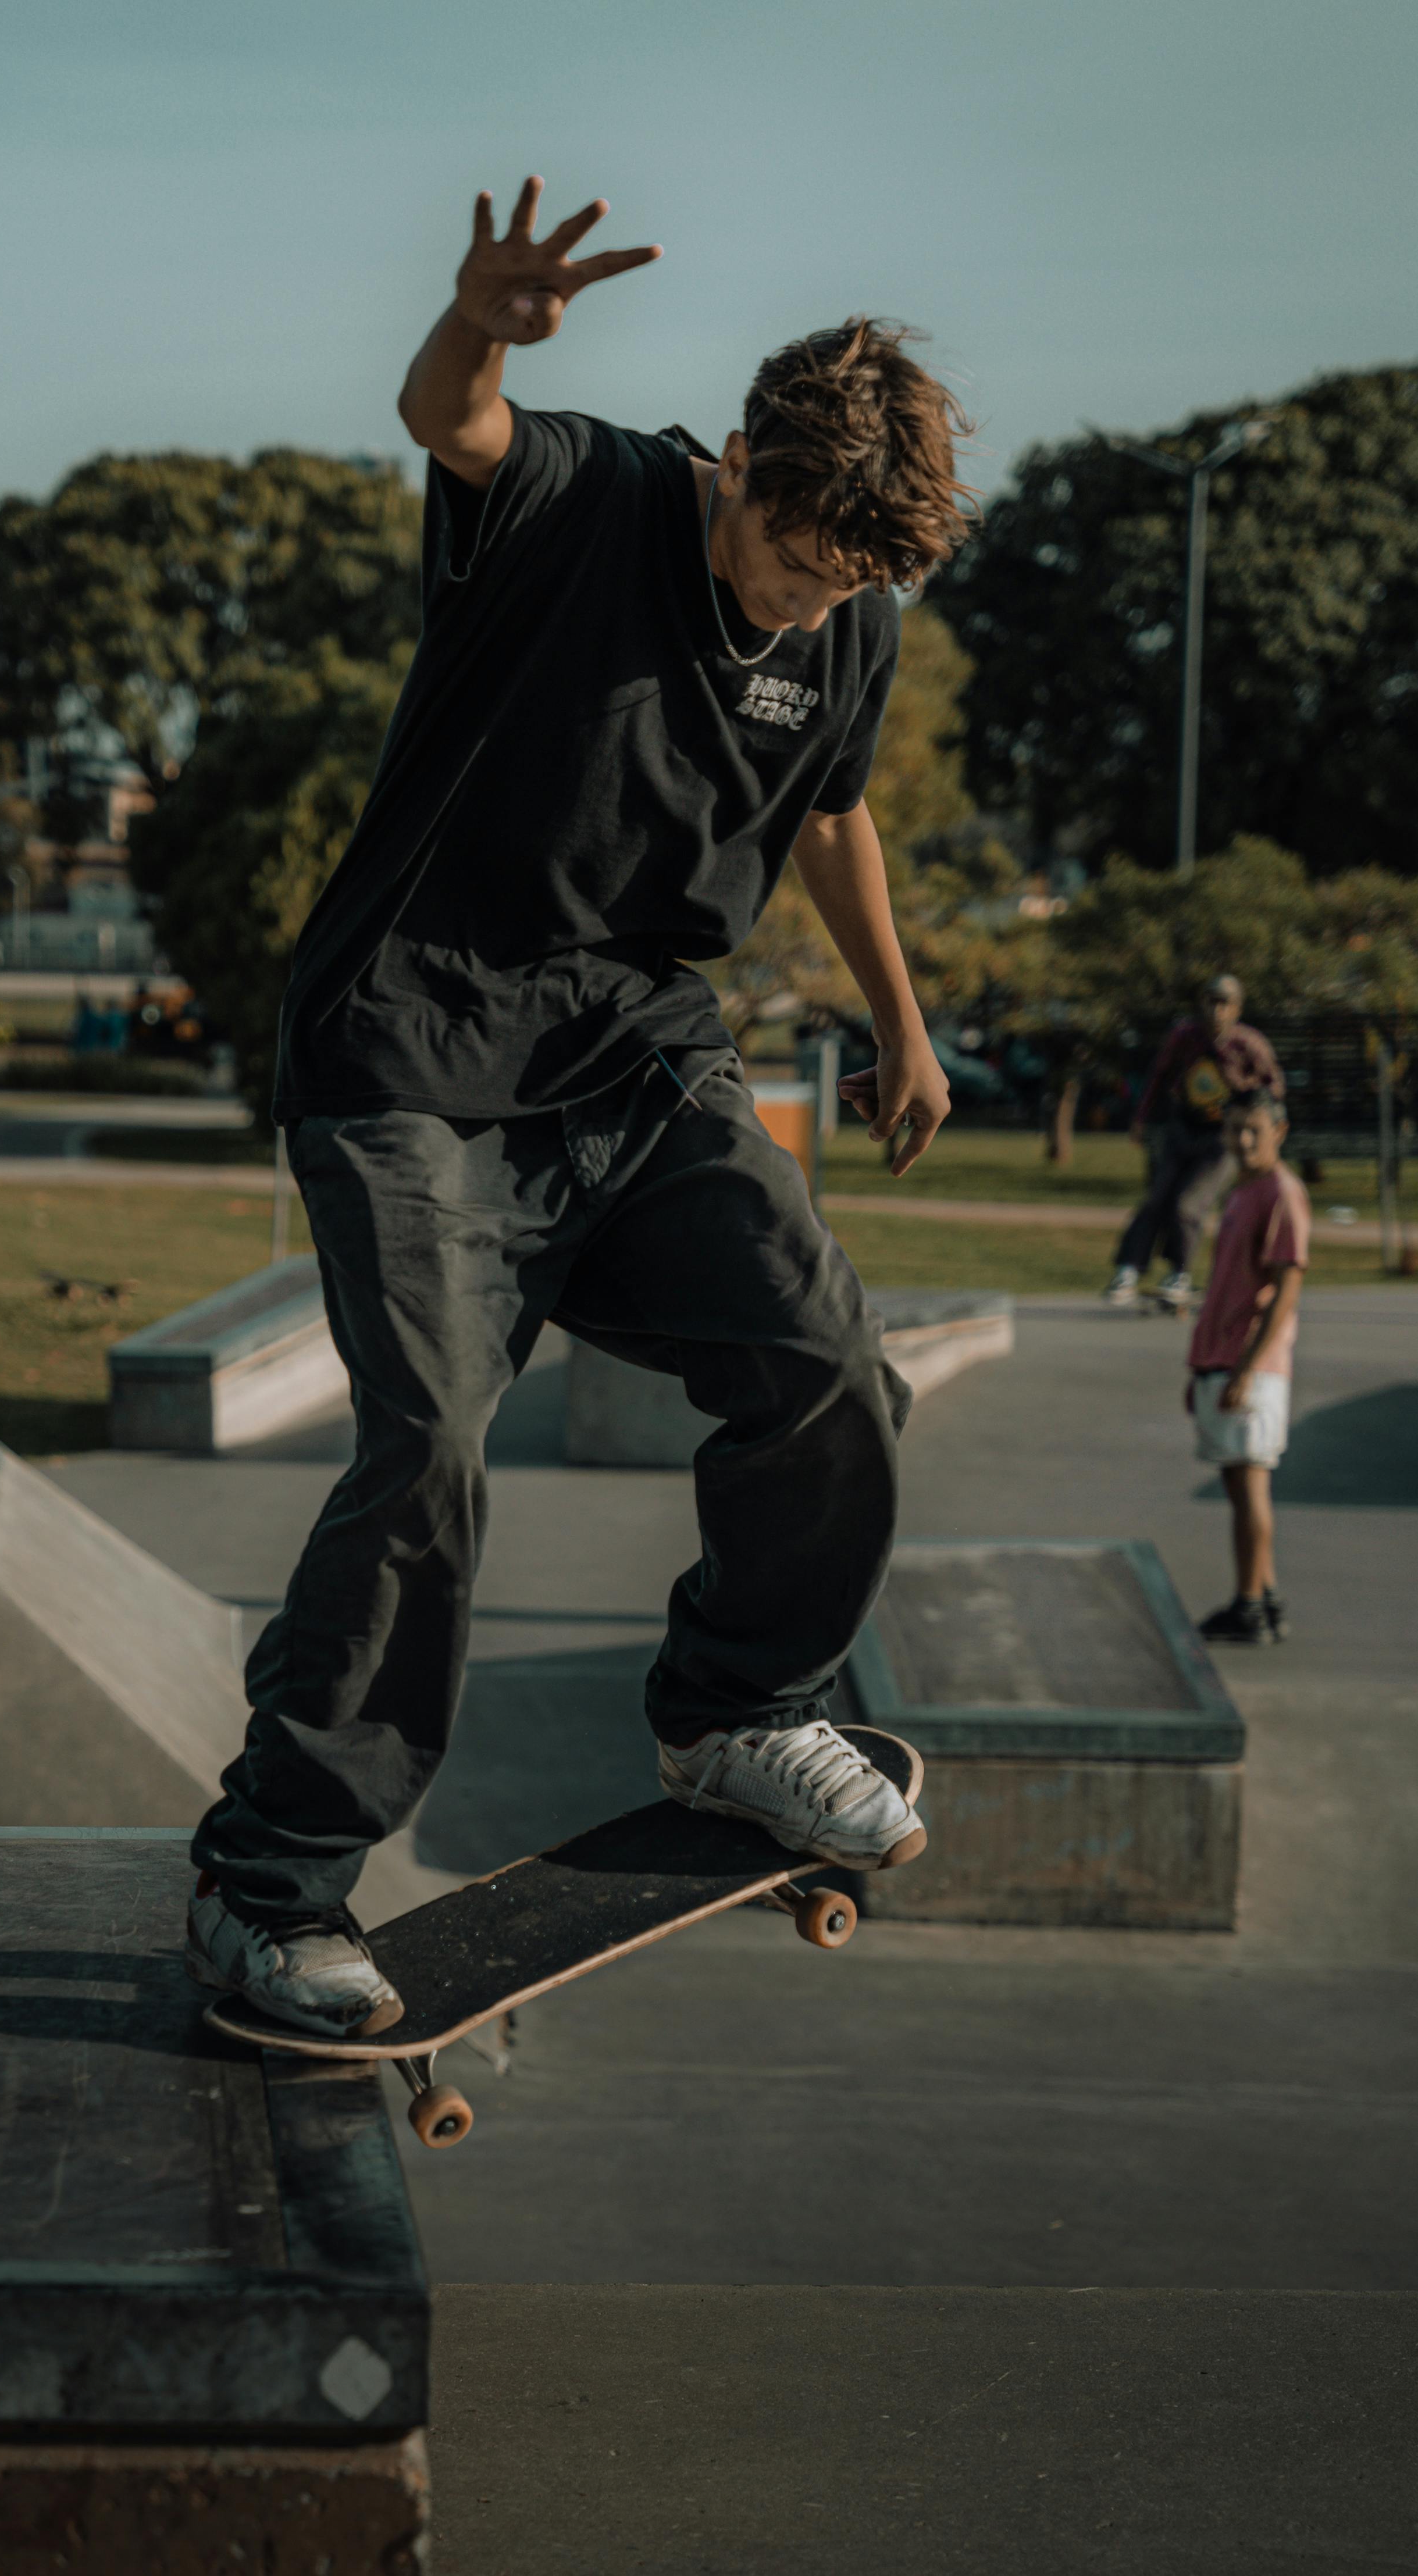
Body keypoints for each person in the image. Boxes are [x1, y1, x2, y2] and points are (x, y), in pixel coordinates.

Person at [184, 177, 972, 2039]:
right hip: (412, 1046)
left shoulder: (844, 614)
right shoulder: (586, 495)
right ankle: (270, 1879)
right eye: (793, 557)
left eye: (847, 586)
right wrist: (478, 323)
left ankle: (740, 1707)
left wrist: (903, 1019)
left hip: (639, 1048)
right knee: (430, 1447)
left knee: (829, 1366)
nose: (808, 602)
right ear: (745, 466)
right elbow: (449, 423)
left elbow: (837, 810)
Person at [1185, 1090, 1308, 1646]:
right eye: (1234, 1130)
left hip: (1251, 1364)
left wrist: (1243, 1370)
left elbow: (1286, 1284)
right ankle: (1267, 1597)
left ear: (1279, 1131)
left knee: (1250, 1485)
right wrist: (1202, 1367)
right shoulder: (1243, 1191)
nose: (1243, 1141)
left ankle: (1248, 1605)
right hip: (1222, 1360)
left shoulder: (1280, 1191)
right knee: (1238, 1484)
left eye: (1254, 1130)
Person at [1105, 976, 1283, 1310]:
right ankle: (1129, 1269)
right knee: (1156, 1198)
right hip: (1184, 1127)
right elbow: (1159, 1076)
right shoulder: (1186, 1036)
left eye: (1224, 1003)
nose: (1217, 1010)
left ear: (1237, 1008)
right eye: (1211, 1001)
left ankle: (1179, 1273)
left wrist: (1254, 1112)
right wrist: (1142, 1118)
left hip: (1224, 1138)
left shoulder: (1248, 1043)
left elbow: (1273, 1086)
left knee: (1189, 1204)